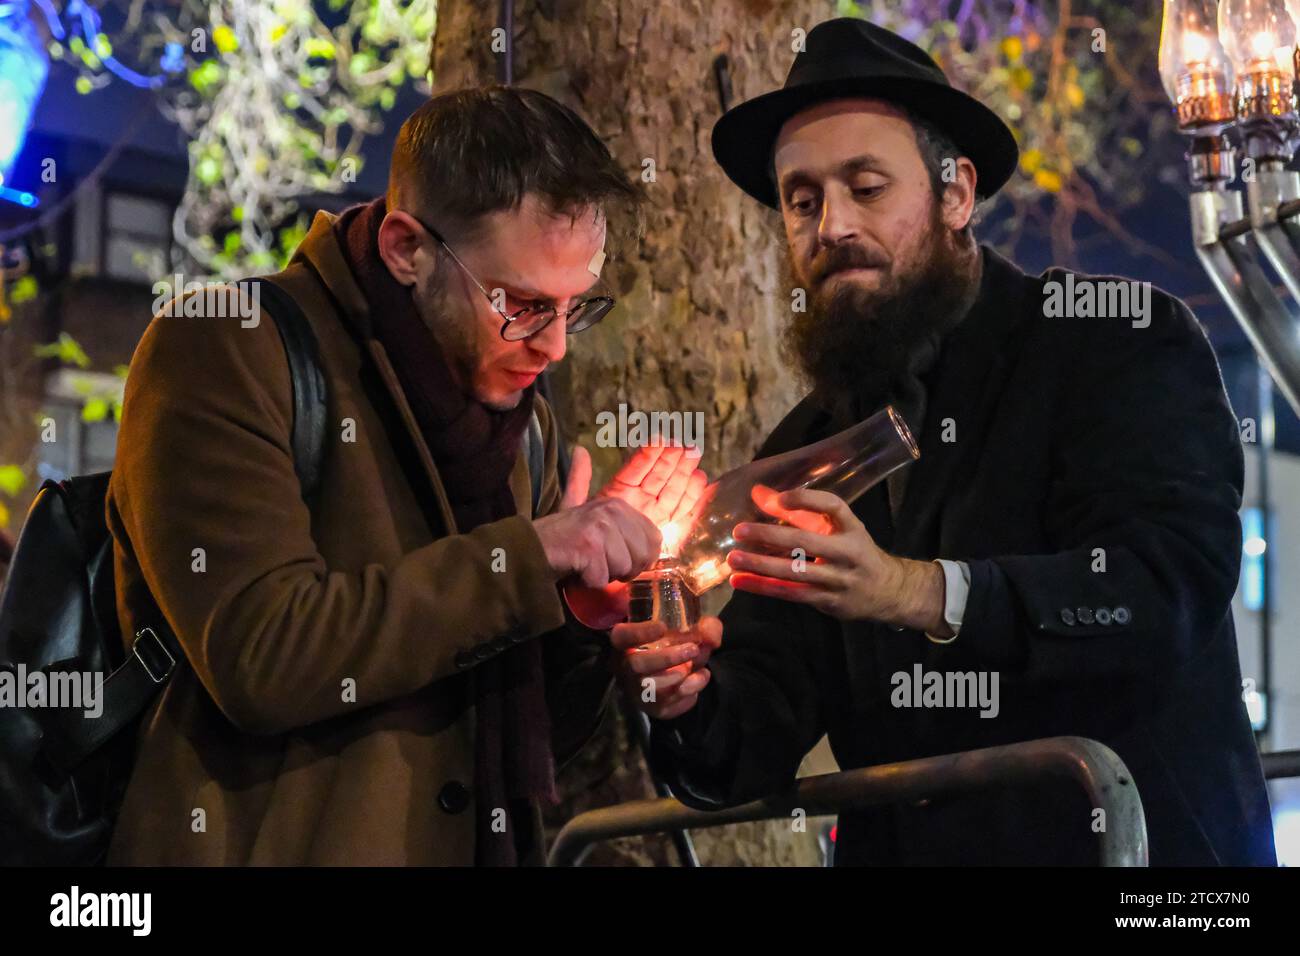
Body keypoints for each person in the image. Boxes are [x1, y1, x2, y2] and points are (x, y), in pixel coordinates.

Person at [614, 17, 1276, 866]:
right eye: (803, 201)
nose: (832, 226)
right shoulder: (810, 441)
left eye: (866, 187)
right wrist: (681, 693)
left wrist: (919, 592)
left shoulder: (1114, 340)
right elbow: (753, 733)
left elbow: (1161, 592)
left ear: (957, 193)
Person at [106, 86, 705, 865]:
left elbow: (526, 739)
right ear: (405, 249)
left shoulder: (522, 422)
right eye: (522, 304)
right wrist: (530, 558)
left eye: (575, 308)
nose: (554, 347)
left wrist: (580, 621)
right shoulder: (228, 345)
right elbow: (261, 657)